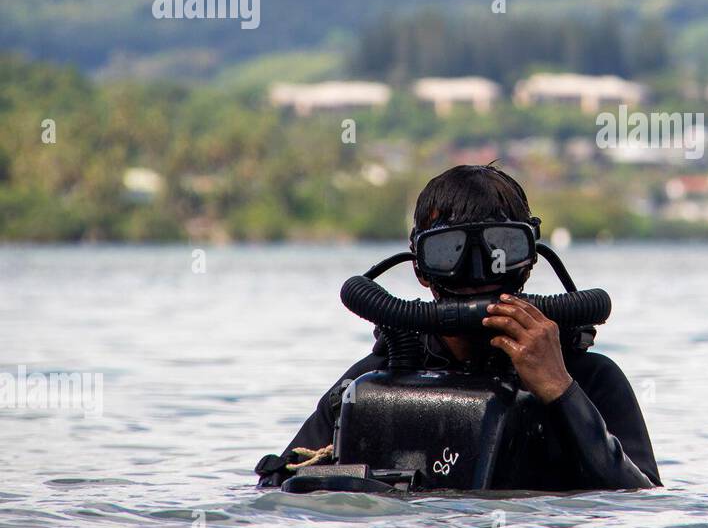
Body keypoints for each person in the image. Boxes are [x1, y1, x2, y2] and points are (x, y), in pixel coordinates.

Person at [256, 164, 660, 490]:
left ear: (529, 260)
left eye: (499, 249)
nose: (477, 271)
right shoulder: (378, 379)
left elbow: (638, 498)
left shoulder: (588, 378)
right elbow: (279, 484)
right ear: (420, 268)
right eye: (450, 252)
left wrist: (559, 389)